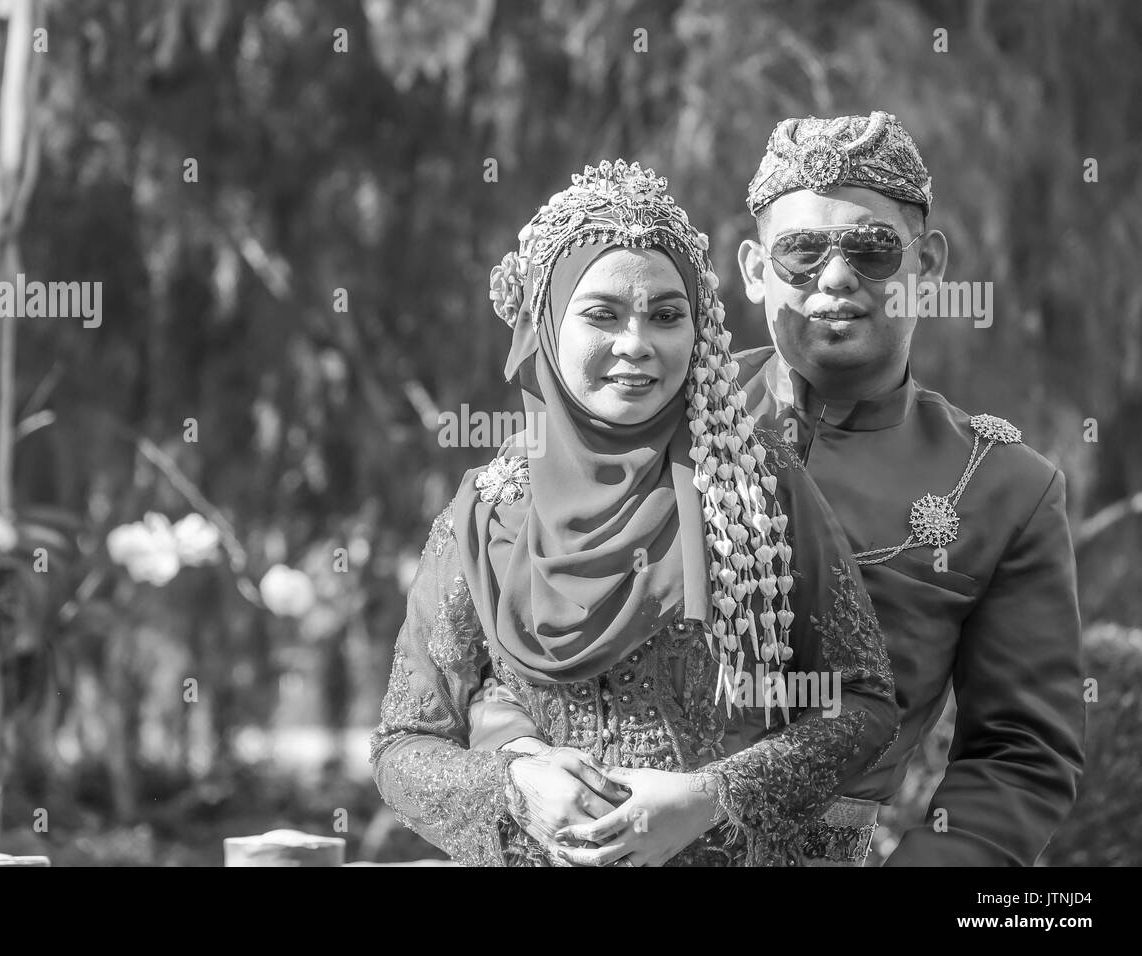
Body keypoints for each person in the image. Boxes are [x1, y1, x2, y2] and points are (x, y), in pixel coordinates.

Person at [370, 159, 898, 867]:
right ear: (547, 327)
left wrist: (712, 798)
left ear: (699, 330)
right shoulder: (485, 518)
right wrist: (516, 786)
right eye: (602, 314)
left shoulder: (761, 492)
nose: (636, 344)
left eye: (665, 314)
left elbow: (859, 703)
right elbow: (404, 744)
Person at [730, 111, 1086, 866]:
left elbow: (1019, 754)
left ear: (927, 263)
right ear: (755, 269)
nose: (835, 279)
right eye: (800, 252)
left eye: (870, 249)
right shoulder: (663, 415)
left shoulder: (1003, 487)